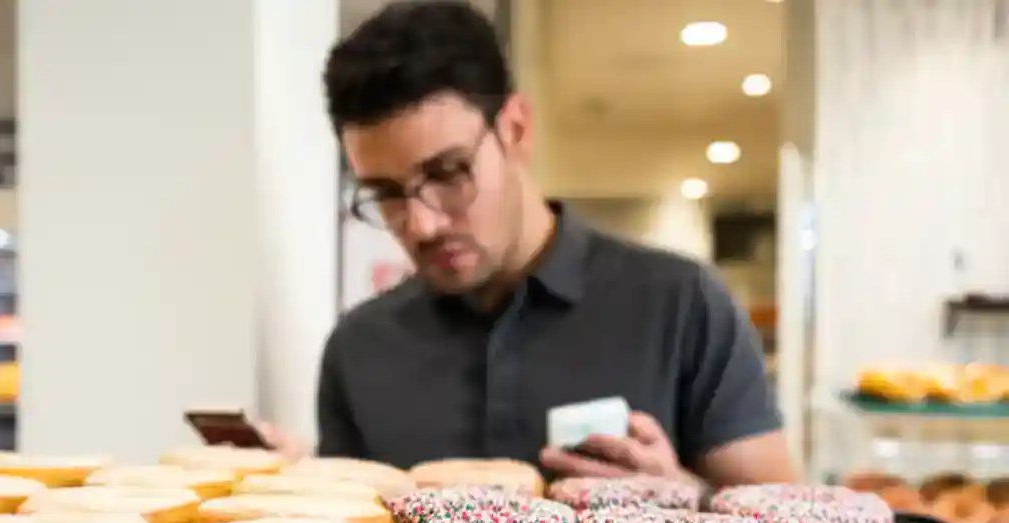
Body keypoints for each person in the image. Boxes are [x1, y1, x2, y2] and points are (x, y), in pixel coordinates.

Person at [262, 0, 796, 488]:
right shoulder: (358, 351)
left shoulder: (681, 305)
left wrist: (684, 496)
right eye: (385, 193)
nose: (421, 225)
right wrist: (305, 486)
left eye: (448, 172)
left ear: (515, 129)